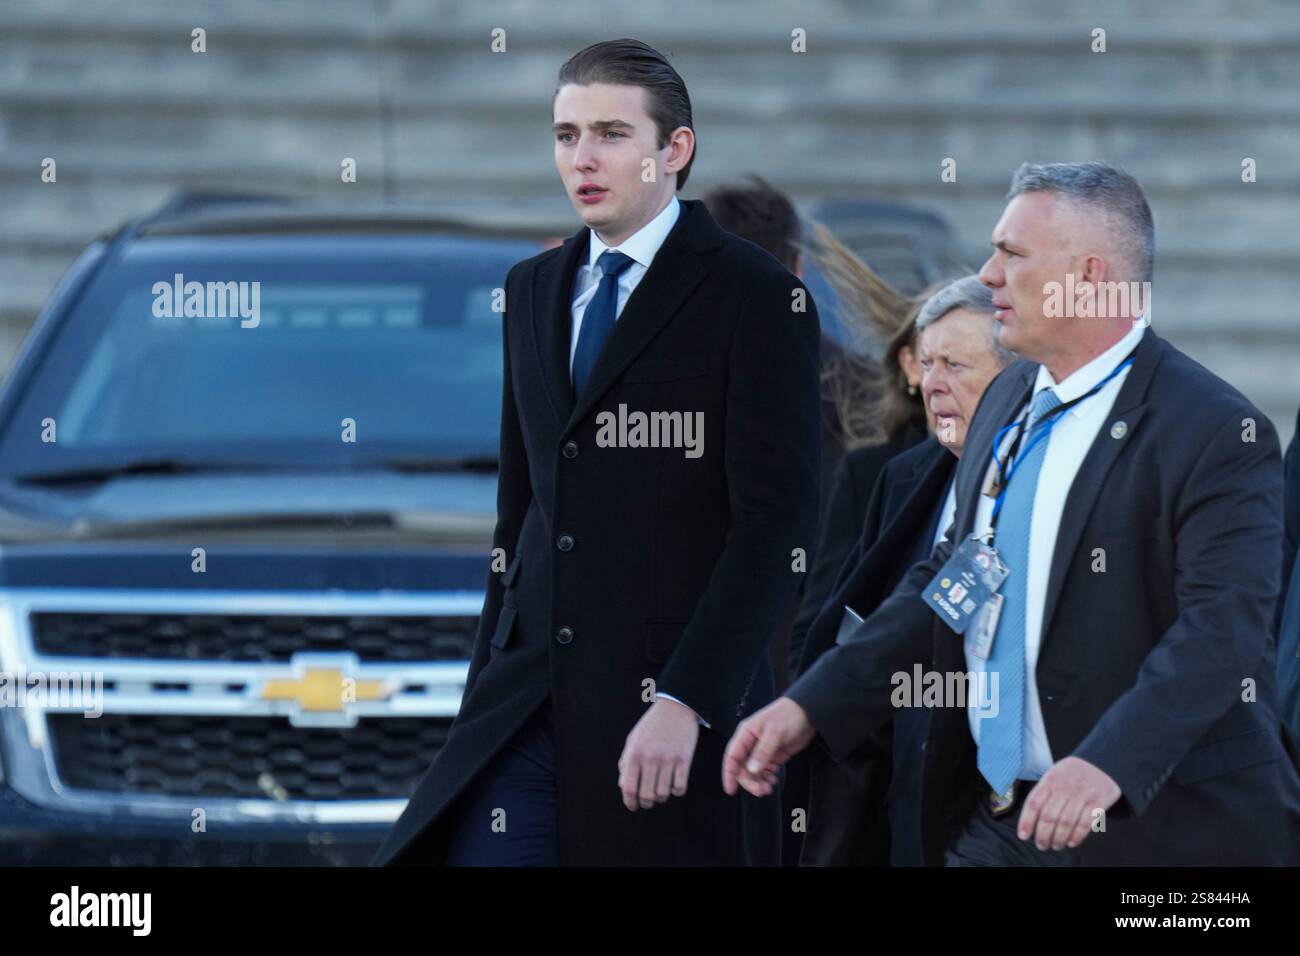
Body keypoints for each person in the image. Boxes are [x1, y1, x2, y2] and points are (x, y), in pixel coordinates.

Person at [724, 161, 1300, 865]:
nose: (988, 274)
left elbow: (1223, 632)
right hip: (1003, 825)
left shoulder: (1214, 429)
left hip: (1159, 832)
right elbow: (955, 582)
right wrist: (811, 703)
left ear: (1087, 277)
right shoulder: (1008, 398)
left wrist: (1108, 763)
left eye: (1012, 254)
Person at [372, 38, 821, 867]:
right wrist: (485, 683)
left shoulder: (757, 298)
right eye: (565, 134)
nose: (582, 158)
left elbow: (778, 525)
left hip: (673, 708)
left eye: (611, 134)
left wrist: (688, 698)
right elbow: (523, 512)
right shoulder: (532, 290)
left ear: (673, 151)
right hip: (528, 702)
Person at [794, 276, 1014, 866]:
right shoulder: (903, 476)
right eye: (930, 363)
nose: (934, 385)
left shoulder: (1038, 487)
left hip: (996, 804)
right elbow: (846, 617)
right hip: (895, 800)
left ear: (1015, 382)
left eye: (957, 365)